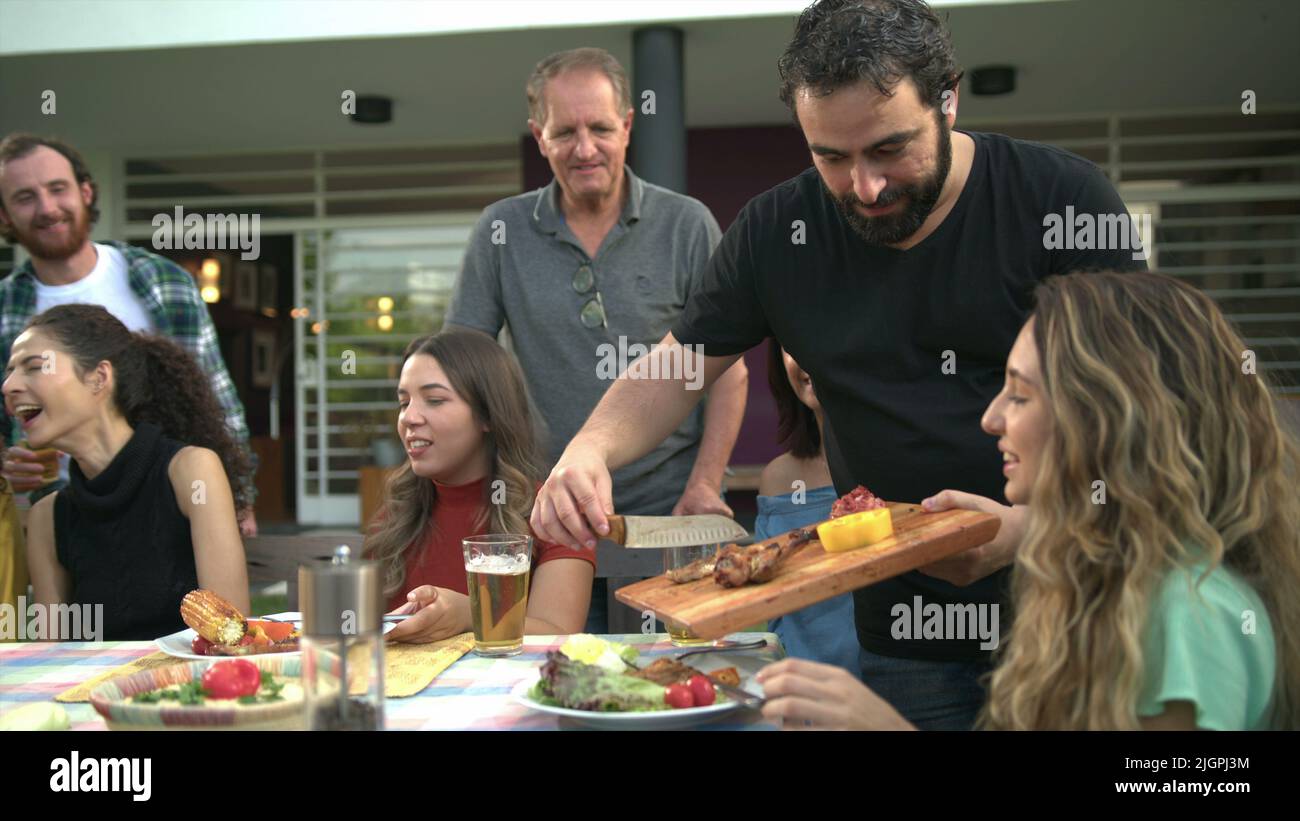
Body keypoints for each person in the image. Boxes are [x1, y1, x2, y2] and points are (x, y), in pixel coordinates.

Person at [531, 0, 1146, 729]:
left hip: (1077, 605)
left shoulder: (1063, 203)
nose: (865, 187)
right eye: (830, 157)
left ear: (949, 99)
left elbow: (1145, 422)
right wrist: (589, 448)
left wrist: (1024, 531)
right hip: (907, 635)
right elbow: (682, 364)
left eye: (889, 149)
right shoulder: (773, 232)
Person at [757, 272, 1300, 730]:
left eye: (1019, 393)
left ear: (1106, 419)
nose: (991, 419)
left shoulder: (1190, 617)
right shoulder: (1104, 578)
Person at [0, 133, 259, 536]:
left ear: (85, 192)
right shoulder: (5, 307)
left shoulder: (163, 282)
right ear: (4, 216)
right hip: (50, 517)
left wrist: (237, 498)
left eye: (57, 189)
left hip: (164, 507)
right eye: (25, 197)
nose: (47, 208)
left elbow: (214, 399)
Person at [8, 305, 251, 641]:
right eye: (9, 371)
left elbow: (229, 635)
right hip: (89, 692)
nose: (8, 385)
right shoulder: (46, 517)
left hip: (184, 688)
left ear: (99, 378)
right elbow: (53, 654)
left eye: (34, 367)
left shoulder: (191, 472)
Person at [364, 330, 594, 644]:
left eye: (434, 400)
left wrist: (469, 616)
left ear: (488, 414)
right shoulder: (395, 516)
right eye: (404, 402)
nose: (409, 417)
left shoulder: (554, 512)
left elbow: (560, 631)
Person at [756, 344, 857, 674]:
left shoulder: (904, 467)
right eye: (790, 342)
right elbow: (778, 619)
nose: (803, 356)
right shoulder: (777, 479)